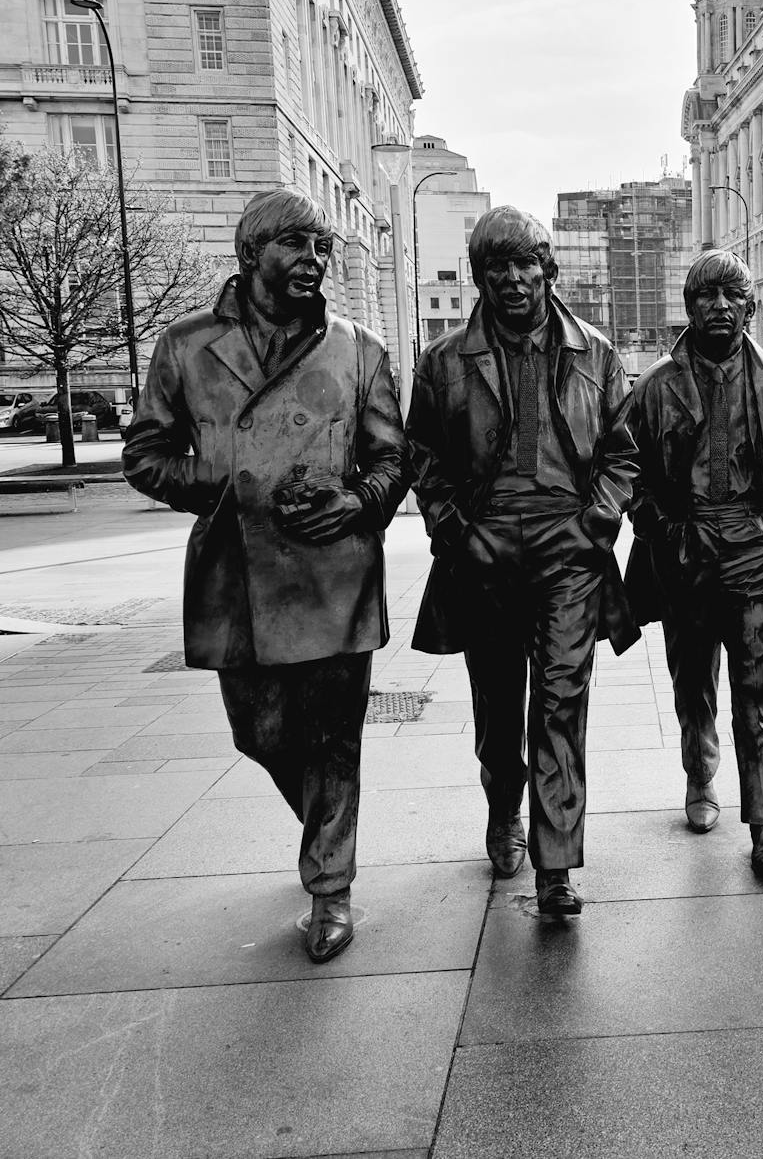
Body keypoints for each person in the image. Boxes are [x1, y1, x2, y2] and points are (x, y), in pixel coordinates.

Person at [123, 187, 408, 961]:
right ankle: (323, 830)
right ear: (251, 255)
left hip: (334, 574)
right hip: (234, 573)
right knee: (262, 734)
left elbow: (392, 460)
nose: (313, 262)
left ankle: (329, 890)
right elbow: (144, 455)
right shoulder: (186, 346)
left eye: (321, 249)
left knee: (334, 740)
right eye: (295, 246)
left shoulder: (360, 348)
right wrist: (223, 483)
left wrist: (355, 502)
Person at [406, 205, 638, 916]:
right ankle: (504, 808)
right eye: (496, 267)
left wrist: (594, 523)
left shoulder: (595, 352)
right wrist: (455, 530)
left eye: (525, 264)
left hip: (568, 551)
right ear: (480, 277)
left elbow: (623, 453)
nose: (512, 279)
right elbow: (422, 457)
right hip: (485, 552)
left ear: (548, 269)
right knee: (499, 708)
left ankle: (557, 863)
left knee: (562, 703)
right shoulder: (444, 362)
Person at [625, 249, 763, 880]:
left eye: (733, 296)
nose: (721, 307)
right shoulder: (653, 389)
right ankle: (700, 778)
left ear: (751, 306)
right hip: (686, 560)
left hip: (755, 563)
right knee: (692, 684)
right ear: (689, 307)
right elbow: (629, 478)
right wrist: (666, 533)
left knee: (757, 696)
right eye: (707, 296)